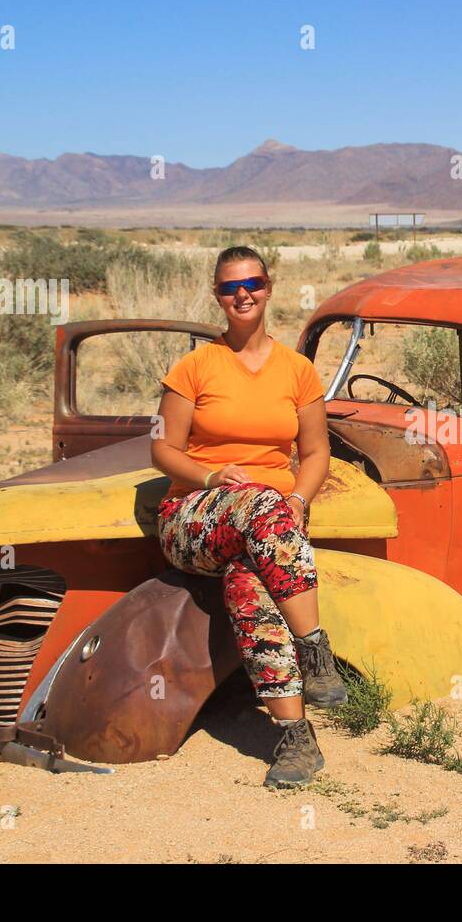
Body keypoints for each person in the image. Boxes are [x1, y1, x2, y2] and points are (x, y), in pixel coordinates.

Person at [150, 245, 347, 788]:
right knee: (263, 504)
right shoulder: (194, 367)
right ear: (217, 295)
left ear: (268, 286)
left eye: (251, 284)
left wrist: (300, 500)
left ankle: (295, 739)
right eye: (229, 287)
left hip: (267, 528)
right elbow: (162, 450)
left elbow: (315, 455)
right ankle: (315, 651)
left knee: (250, 585)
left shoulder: (298, 371)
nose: (242, 295)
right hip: (194, 517)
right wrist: (211, 477)